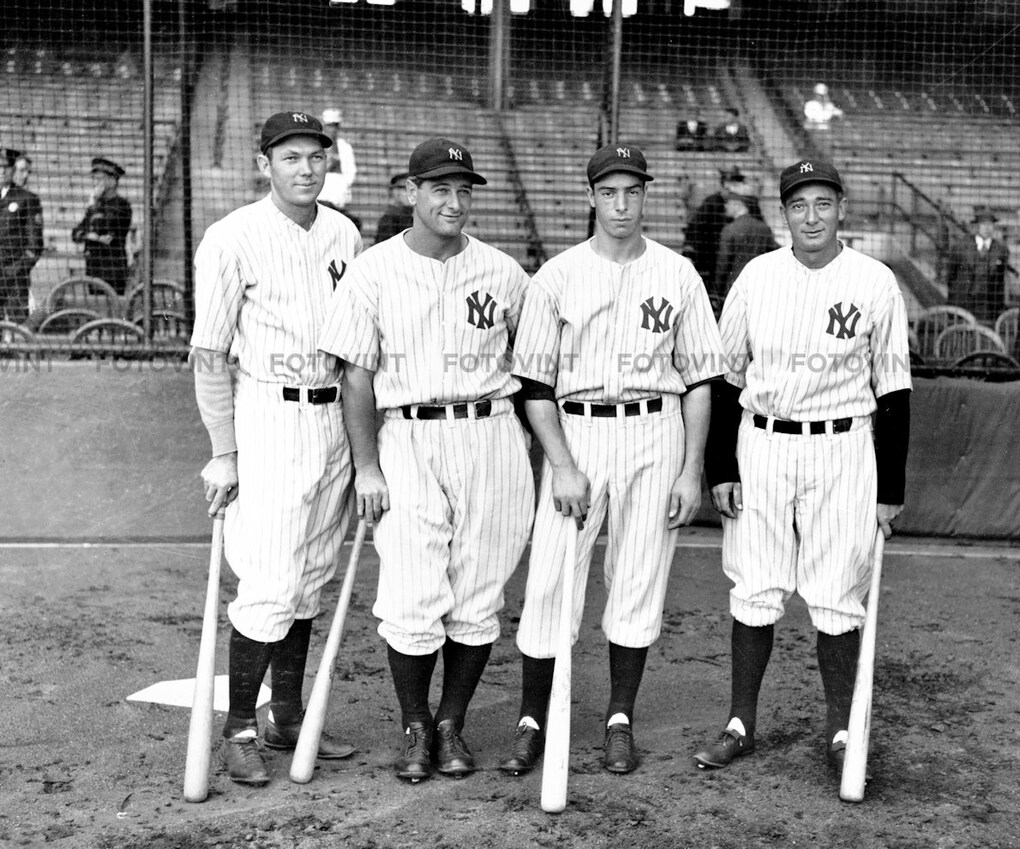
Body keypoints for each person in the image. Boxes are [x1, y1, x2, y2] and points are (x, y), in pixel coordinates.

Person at [497, 143, 723, 778]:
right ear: (591, 197)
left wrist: (690, 469)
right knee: (549, 580)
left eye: (633, 191)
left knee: (638, 576)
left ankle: (619, 717)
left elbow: (701, 378)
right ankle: (531, 719)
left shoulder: (679, 274)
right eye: (609, 191)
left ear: (645, 196)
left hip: (656, 430)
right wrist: (563, 465)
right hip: (579, 433)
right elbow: (534, 387)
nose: (621, 204)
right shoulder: (557, 276)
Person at [317, 138, 535, 783]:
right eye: (440, 188)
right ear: (410, 193)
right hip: (406, 437)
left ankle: (451, 724)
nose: (454, 201)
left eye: (465, 189)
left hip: (491, 434)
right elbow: (356, 378)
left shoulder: (503, 273)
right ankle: (414, 724)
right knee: (412, 592)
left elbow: (536, 370)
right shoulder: (373, 270)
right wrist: (367, 467)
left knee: (477, 594)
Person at [694, 159, 911, 780]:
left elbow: (894, 390)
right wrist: (722, 468)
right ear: (783, 212)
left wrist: (890, 490)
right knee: (755, 586)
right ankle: (741, 723)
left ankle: (842, 729)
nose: (810, 216)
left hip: (845, 448)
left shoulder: (874, 281)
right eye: (798, 205)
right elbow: (727, 378)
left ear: (842, 208)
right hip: (762, 445)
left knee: (837, 593)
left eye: (822, 203)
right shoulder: (757, 276)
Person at [190, 111, 363, 788]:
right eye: (290, 157)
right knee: (267, 579)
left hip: (333, 417)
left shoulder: (344, 232)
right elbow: (208, 354)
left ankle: (286, 716)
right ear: (265, 164)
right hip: (268, 413)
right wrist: (223, 451)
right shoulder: (232, 237)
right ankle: (238, 726)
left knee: (311, 575)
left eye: (315, 156)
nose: (305, 168)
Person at [71, 157, 132, 294]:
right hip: (93, 268)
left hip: (112, 270)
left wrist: (93, 207)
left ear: (113, 180)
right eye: (95, 179)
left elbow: (103, 228)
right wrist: (90, 235)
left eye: (100, 179)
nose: (96, 183)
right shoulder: (97, 205)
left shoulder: (121, 205)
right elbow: (76, 233)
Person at [683, 167, 748, 293]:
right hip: (711, 260)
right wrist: (689, 254)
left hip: (733, 261)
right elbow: (694, 229)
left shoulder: (747, 203)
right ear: (726, 184)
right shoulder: (712, 202)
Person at [0, 148, 44, 325]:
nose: (2, 171)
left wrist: (15, 270)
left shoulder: (27, 199)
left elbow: (34, 246)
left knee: (18, 328)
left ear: (12, 170)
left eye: (6, 167)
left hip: (14, 278)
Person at [713, 189, 778, 308]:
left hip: (735, 288)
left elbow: (723, 264)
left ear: (737, 205)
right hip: (760, 287)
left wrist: (718, 291)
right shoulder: (763, 228)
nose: (725, 206)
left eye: (728, 203)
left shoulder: (730, 229)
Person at [946, 206, 1010, 323]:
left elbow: (1000, 279)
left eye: (990, 224)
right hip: (963, 301)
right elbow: (951, 275)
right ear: (977, 226)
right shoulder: (961, 246)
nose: (987, 228)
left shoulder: (1001, 249)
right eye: (983, 224)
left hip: (987, 304)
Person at [317, 107, 360, 233]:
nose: (332, 129)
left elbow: (350, 172)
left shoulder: (344, 146)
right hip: (320, 194)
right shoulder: (316, 144)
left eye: (335, 126)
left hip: (338, 194)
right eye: (329, 126)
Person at [374, 172, 412, 244]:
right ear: (393, 191)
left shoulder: (415, 215)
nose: (408, 193)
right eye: (404, 188)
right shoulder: (390, 218)